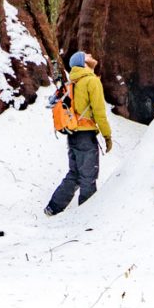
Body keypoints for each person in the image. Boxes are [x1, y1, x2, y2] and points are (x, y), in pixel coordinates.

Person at [44, 50, 113, 215]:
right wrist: (107, 136)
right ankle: (86, 215)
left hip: (72, 134)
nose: (90, 55)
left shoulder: (72, 82)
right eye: (87, 55)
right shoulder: (91, 81)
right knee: (88, 176)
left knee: (75, 173)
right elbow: (99, 112)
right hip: (85, 135)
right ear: (83, 63)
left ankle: (53, 207)